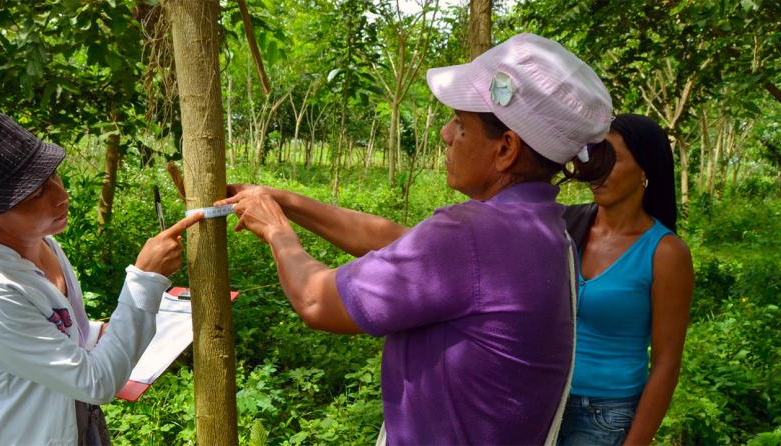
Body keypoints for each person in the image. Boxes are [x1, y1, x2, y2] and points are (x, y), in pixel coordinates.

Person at [217, 33, 614, 445]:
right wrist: (287, 201)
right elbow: (397, 241)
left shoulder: (472, 234)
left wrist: (276, 229)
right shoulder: (543, 228)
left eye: (461, 124)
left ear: (506, 149)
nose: (444, 134)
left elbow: (316, 301)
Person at [0, 110, 203, 445]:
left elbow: (75, 334)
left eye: (53, 176)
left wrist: (124, 328)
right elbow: (96, 382)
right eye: (34, 194)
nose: (60, 196)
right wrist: (144, 281)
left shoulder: (44, 244)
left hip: (73, 423)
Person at [557, 114, 694, 446]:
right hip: (547, 400)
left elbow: (666, 363)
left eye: (613, 159)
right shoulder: (565, 224)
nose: (598, 170)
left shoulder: (665, 253)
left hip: (605, 417)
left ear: (645, 170)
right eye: (595, 157)